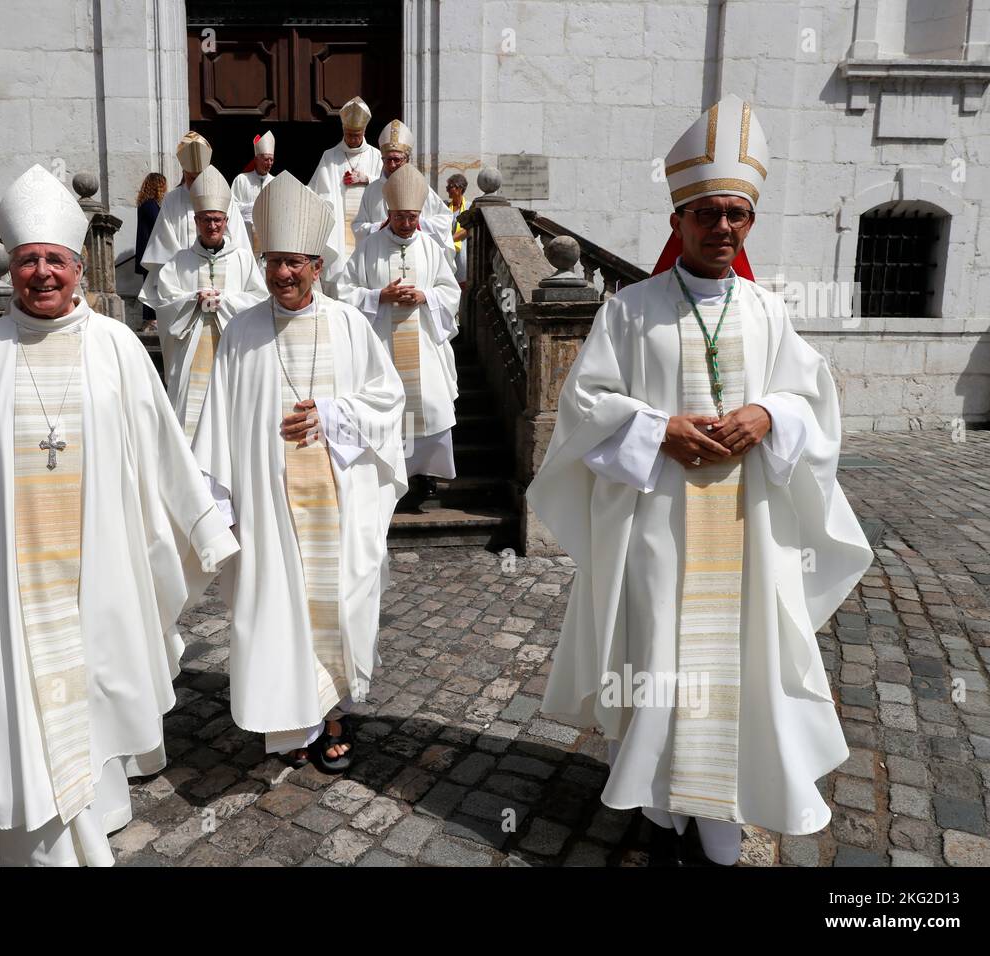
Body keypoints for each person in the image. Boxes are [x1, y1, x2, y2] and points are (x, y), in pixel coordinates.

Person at [0, 164, 239, 866]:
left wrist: (205, 526)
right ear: (14, 268)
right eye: (29, 260)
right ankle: (37, 838)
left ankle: (99, 807)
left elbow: (164, 449)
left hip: (100, 566)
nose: (41, 273)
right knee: (17, 704)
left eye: (54, 260)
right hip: (6, 578)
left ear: (76, 269)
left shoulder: (119, 347)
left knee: (97, 686)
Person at [527, 95, 873, 866]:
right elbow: (584, 404)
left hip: (748, 528)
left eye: (737, 215)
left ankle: (719, 809)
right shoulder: (629, 311)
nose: (723, 228)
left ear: (751, 223)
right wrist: (658, 430)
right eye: (707, 213)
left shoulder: (769, 313)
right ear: (678, 219)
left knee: (737, 660)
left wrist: (768, 416)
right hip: (659, 523)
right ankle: (659, 797)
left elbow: (814, 403)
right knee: (659, 654)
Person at [191, 173, 406, 773]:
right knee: (274, 610)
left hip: (337, 501)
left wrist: (334, 415)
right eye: (272, 262)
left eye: (293, 263)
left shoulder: (348, 325)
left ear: (316, 264)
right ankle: (289, 723)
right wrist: (219, 508)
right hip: (268, 504)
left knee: (334, 603)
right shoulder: (240, 331)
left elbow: (387, 403)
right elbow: (215, 426)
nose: (282, 274)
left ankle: (333, 714)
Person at [337, 163, 461, 512]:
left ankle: (426, 476)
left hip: (423, 340)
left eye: (412, 217)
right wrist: (379, 297)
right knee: (388, 408)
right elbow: (343, 290)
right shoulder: (368, 246)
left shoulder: (430, 247)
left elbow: (448, 289)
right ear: (388, 212)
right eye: (401, 217)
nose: (407, 224)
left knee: (433, 406)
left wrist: (426, 297)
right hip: (382, 344)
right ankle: (391, 474)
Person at [142, 165, 268, 440]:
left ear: (226, 221)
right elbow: (164, 300)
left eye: (217, 220)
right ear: (196, 221)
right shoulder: (179, 262)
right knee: (190, 418)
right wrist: (192, 301)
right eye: (206, 219)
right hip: (191, 351)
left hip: (231, 349)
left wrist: (225, 301)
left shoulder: (243, 259)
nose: (212, 225)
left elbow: (260, 300)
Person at [139, 132, 251, 299]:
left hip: (223, 284)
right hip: (184, 282)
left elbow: (237, 244)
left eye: (201, 176)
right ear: (184, 172)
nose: (197, 182)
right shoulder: (172, 200)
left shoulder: (226, 197)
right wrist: (189, 269)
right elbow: (164, 246)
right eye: (192, 177)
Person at [350, 120, 454, 263]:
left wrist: (416, 223)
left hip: (417, 256)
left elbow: (445, 220)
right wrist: (379, 226)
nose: (392, 165)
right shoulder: (372, 190)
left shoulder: (421, 187)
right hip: (380, 258)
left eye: (396, 159)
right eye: (387, 160)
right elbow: (358, 227)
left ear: (407, 159)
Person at [307, 96, 382, 292]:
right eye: (349, 134)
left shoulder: (375, 156)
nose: (353, 139)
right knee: (339, 277)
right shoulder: (330, 156)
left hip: (365, 227)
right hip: (339, 232)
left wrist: (367, 178)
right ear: (343, 131)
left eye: (357, 135)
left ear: (364, 131)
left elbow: (388, 186)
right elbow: (316, 192)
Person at [231, 132, 276, 254]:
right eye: (266, 159)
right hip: (246, 237)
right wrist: (252, 208)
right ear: (256, 159)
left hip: (268, 238)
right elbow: (231, 207)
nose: (269, 163)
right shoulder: (241, 180)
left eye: (272, 160)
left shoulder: (275, 182)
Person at [133, 171, 167, 327]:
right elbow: (159, 225)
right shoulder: (151, 205)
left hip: (147, 251)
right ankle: (150, 318)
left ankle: (150, 318)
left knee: (150, 283)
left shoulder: (145, 204)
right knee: (151, 285)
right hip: (151, 252)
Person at [445, 172, 469, 284]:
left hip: (462, 251)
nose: (447, 190)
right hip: (446, 251)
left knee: (462, 283)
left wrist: (449, 239)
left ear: (459, 189)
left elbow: (467, 230)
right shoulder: (445, 207)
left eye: (450, 187)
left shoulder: (469, 207)